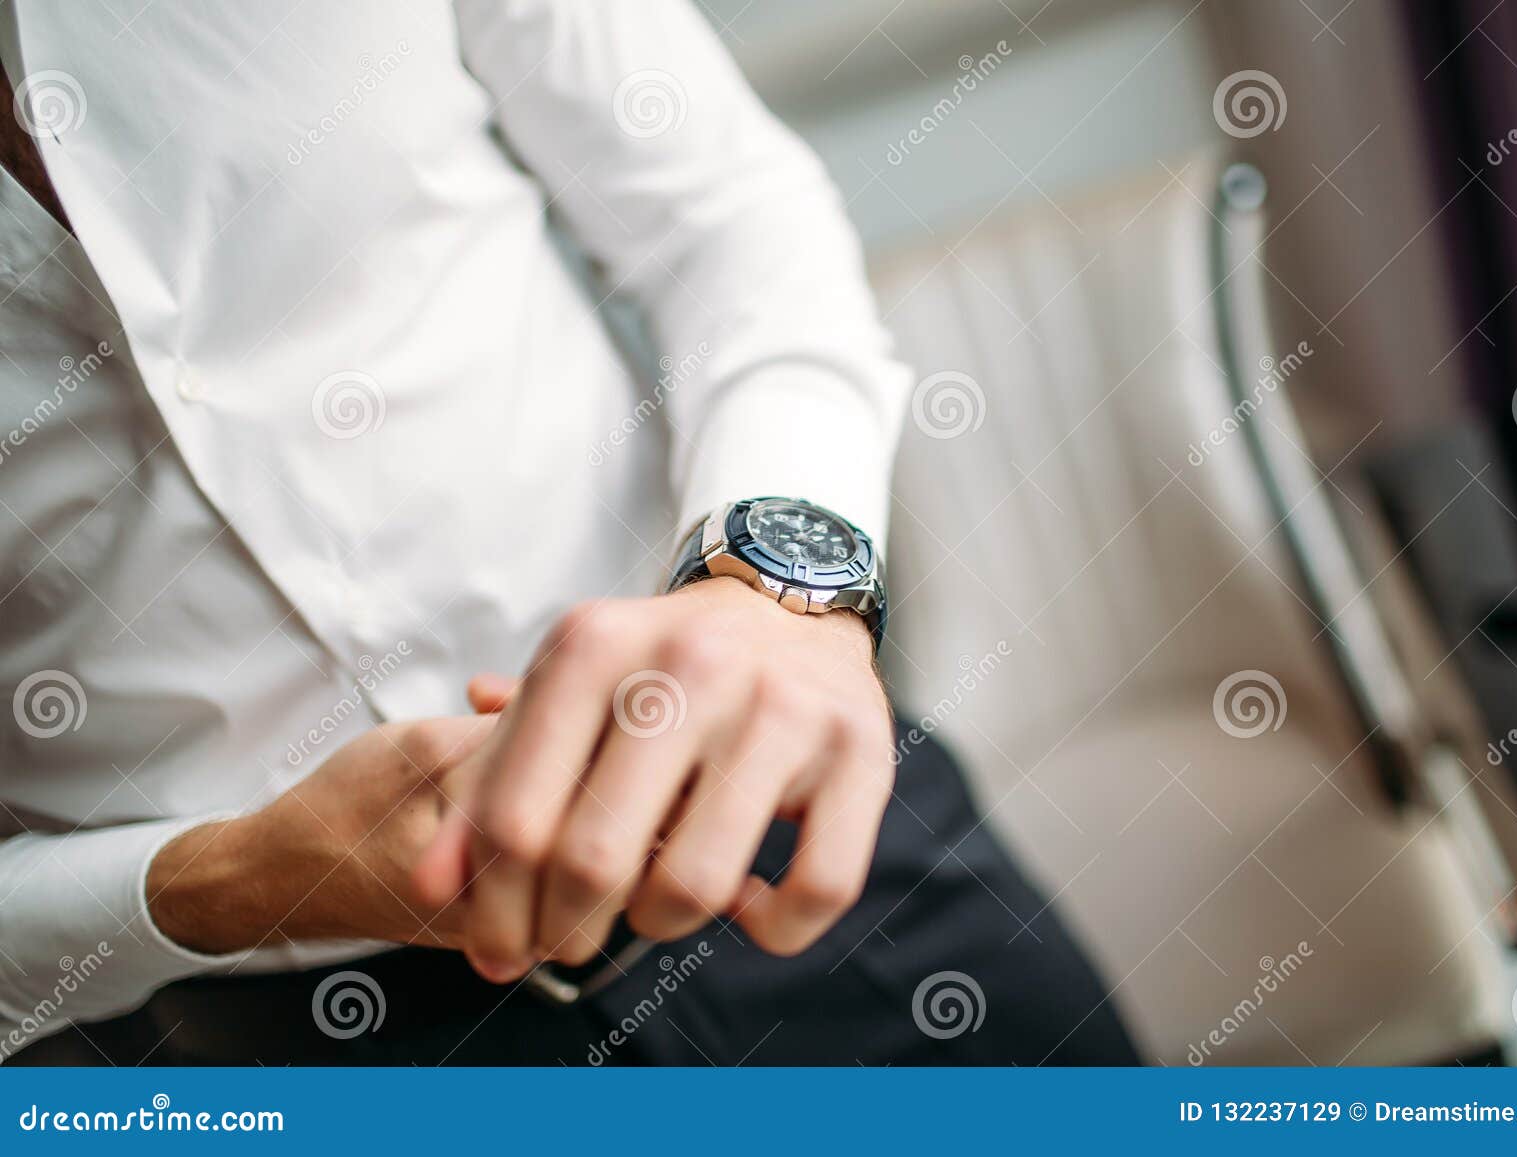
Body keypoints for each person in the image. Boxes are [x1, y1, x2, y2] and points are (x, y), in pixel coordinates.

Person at [0, 0, 1136, 1065]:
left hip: (770, 819)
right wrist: (227, 878)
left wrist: (776, 596)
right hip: (255, 1048)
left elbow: (729, 222)